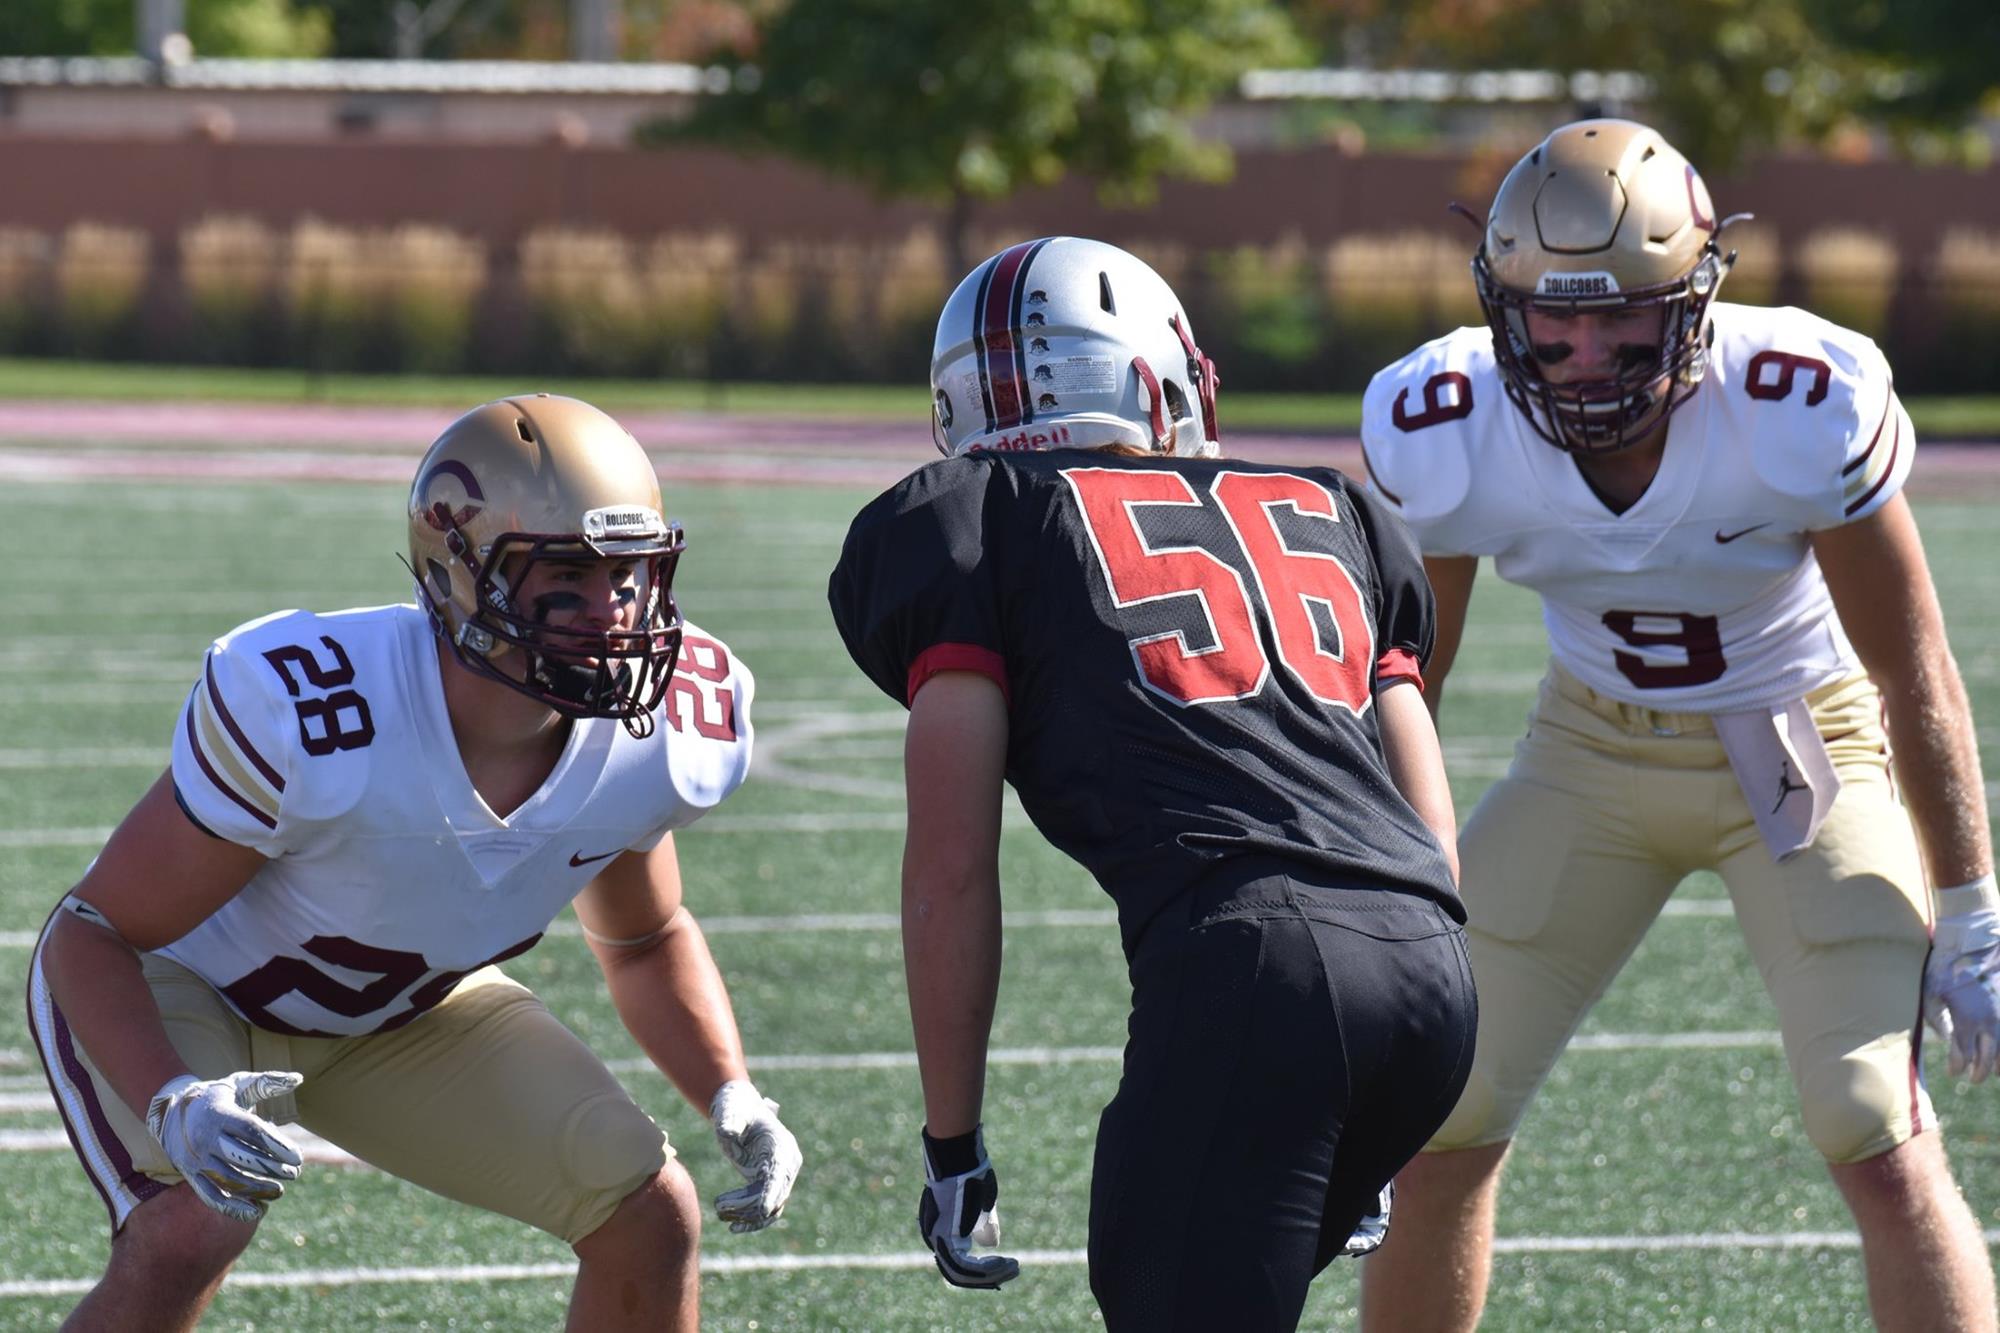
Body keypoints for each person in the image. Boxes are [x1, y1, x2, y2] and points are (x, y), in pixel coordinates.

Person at [1355, 118, 1998, 1331]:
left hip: (1803, 746)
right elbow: (1405, 684)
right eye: (1554, 323)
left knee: (1871, 1120)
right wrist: (1376, 887)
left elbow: (1909, 666)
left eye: (1623, 320)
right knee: (1437, 1114)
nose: (1586, 355)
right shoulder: (1442, 422)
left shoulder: (1793, 402)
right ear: (1504, 311)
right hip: (1585, 754)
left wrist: (1970, 911)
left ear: (1694, 301)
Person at [28, 394, 803, 1332]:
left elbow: (643, 936)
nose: (613, 610)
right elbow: (92, 932)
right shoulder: (314, 709)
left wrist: (732, 1092)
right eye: (567, 573)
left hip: (402, 1016)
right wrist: (173, 1097)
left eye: (632, 574)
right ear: (460, 573)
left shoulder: (663, 731)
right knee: (196, 1226)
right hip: (183, 988)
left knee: (649, 1216)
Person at [826, 236, 1477, 1329]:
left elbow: (948, 867)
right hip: (1432, 977)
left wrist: (952, 1142)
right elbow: (1426, 824)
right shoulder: (1335, 508)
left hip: (1252, 967)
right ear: (1154, 377)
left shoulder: (972, 521)